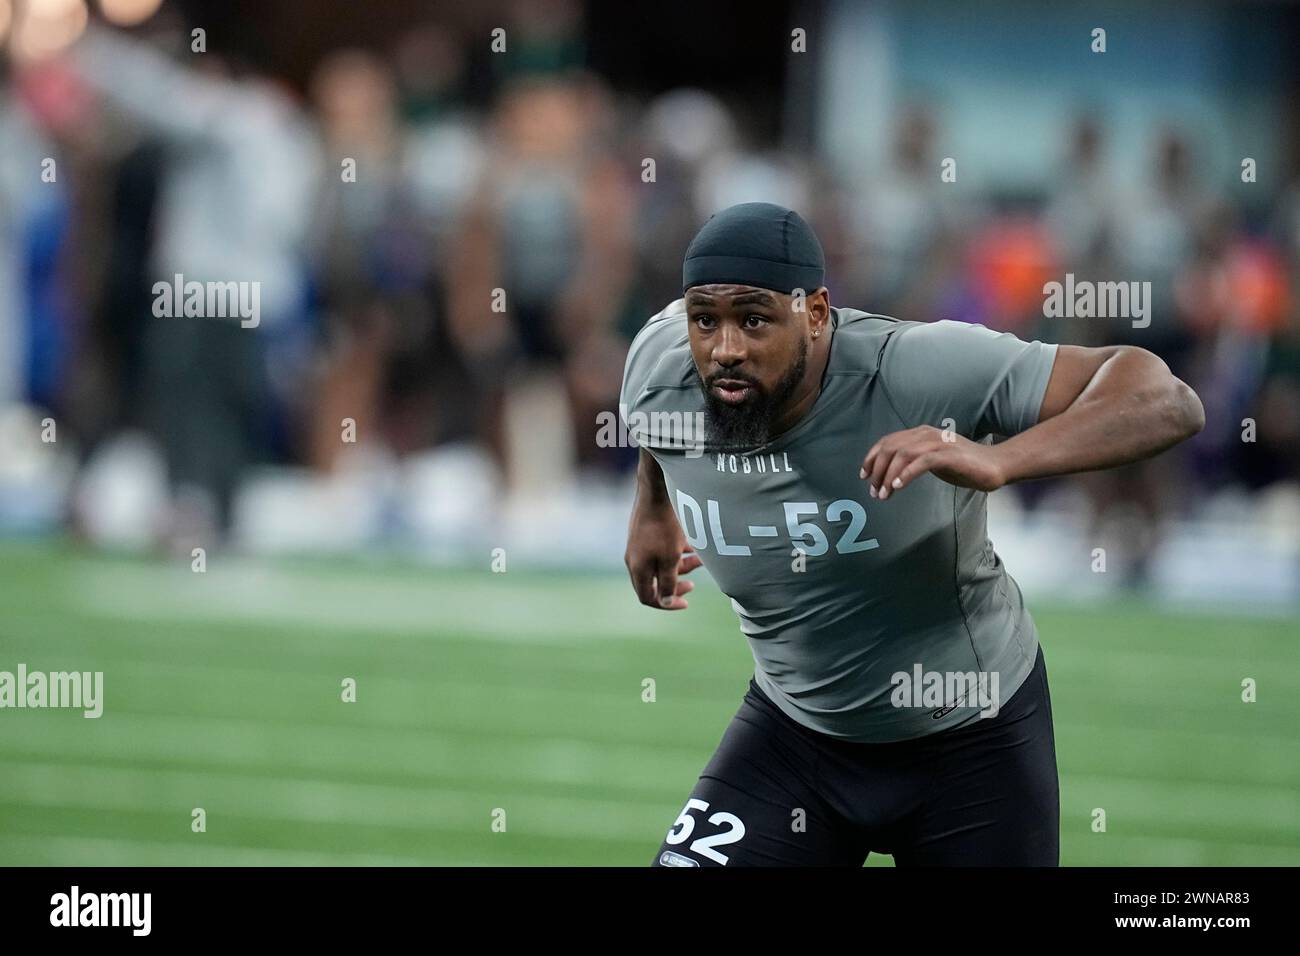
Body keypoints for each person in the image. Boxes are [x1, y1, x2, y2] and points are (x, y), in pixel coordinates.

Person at [619, 202, 1204, 866]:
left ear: (814, 313)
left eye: (755, 320)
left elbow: (1166, 399)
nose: (725, 349)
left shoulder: (918, 370)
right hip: (796, 735)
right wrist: (654, 507)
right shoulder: (662, 366)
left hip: (970, 740)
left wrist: (1001, 459)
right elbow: (654, 425)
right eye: (706, 321)